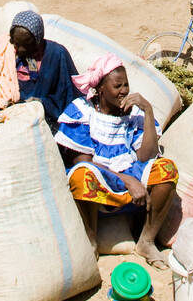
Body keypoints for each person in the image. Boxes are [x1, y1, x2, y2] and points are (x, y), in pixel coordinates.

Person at [55, 54, 178, 268]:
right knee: (81, 175)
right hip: (102, 183)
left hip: (134, 183)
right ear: (101, 88)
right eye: (117, 86)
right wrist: (127, 180)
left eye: (126, 85)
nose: (123, 90)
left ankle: (146, 241)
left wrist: (147, 111)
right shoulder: (82, 112)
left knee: (167, 169)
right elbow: (83, 163)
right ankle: (91, 241)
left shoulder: (133, 116)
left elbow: (146, 156)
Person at [0, 8, 78, 135]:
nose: (21, 49)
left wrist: (39, 103)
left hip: (42, 120)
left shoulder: (56, 54)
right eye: (16, 44)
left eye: (27, 44)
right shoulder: (5, 54)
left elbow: (67, 96)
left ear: (38, 41)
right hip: (6, 116)